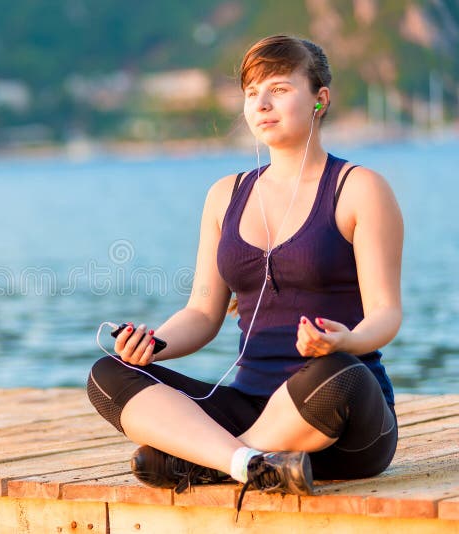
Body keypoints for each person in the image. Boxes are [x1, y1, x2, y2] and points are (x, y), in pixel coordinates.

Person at [86, 34, 402, 514]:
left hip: (336, 418)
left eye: (278, 87)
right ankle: (248, 462)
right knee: (108, 375)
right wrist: (152, 345)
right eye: (252, 92)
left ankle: (210, 459)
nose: (262, 103)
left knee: (341, 376)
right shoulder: (224, 196)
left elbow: (386, 315)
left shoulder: (358, 189)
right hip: (246, 403)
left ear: (320, 99)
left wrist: (344, 342)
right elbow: (201, 313)